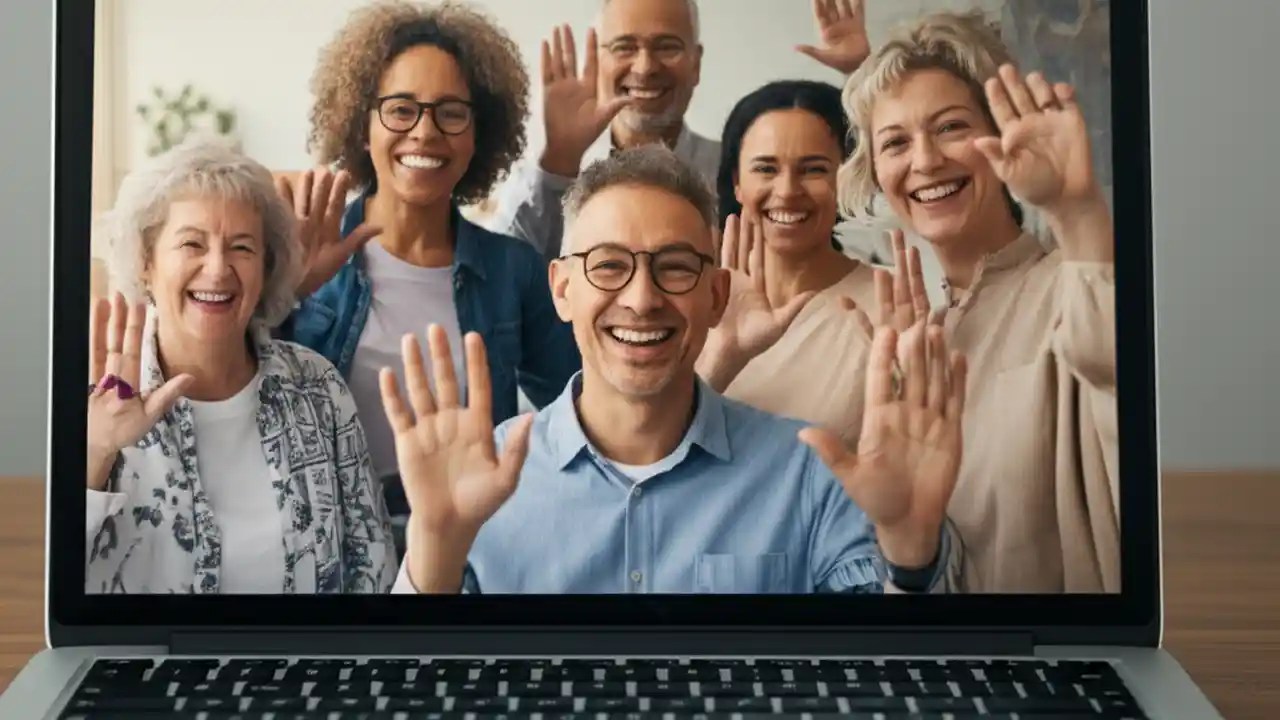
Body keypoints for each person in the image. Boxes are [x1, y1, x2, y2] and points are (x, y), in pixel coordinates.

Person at [381, 145, 969, 595]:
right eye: (608, 265)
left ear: (716, 296)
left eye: (676, 266)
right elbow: (418, 688)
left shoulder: (807, 473)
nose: (642, 299)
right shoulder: (479, 480)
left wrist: (910, 552)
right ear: (561, 290)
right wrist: (434, 545)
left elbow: (881, 675)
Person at [277, 1, 582, 552]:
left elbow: (582, 404)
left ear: (477, 134)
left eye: (451, 112)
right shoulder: (305, 252)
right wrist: (281, 292)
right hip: (325, 549)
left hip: (467, 548)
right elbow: (232, 384)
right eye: (401, 109)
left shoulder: (512, 269)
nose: (425, 132)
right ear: (363, 126)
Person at [838, 12, 1119, 593]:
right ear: (876, 171)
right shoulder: (916, 336)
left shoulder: (1072, 281)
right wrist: (908, 552)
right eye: (895, 142)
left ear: (1001, 134)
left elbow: (1115, 367)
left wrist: (1078, 211)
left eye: (949, 127)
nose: (925, 161)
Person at [86, 138, 397, 594]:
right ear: (146, 262)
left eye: (242, 248)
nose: (217, 269)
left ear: (266, 268)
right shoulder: (96, 397)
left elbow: (374, 572)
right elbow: (52, 586)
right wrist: (95, 450)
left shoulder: (318, 387)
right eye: (192, 243)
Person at [486, 0, 873, 260]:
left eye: (666, 46)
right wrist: (559, 161)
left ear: (696, 63)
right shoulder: (550, 174)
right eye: (624, 47)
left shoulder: (743, 173)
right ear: (598, 61)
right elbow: (499, 278)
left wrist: (864, 83)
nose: (645, 67)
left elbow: (855, 215)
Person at [699, 79, 881, 445]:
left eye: (813, 169)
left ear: (846, 177)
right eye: (766, 169)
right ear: (736, 182)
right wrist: (721, 357)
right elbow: (646, 447)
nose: (787, 191)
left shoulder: (891, 308)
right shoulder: (690, 300)